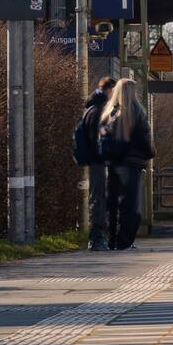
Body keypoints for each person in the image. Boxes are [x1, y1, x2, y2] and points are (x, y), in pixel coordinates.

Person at [98, 77, 154, 250]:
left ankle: (112, 240)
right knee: (130, 206)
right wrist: (149, 153)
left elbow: (101, 136)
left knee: (112, 204)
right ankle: (125, 242)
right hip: (131, 164)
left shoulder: (109, 113)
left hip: (112, 164)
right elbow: (144, 139)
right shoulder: (137, 112)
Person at [73, 76, 116, 251]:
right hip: (99, 162)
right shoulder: (98, 111)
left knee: (99, 198)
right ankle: (97, 238)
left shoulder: (92, 109)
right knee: (99, 199)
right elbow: (99, 139)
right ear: (109, 90)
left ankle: (100, 237)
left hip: (96, 161)